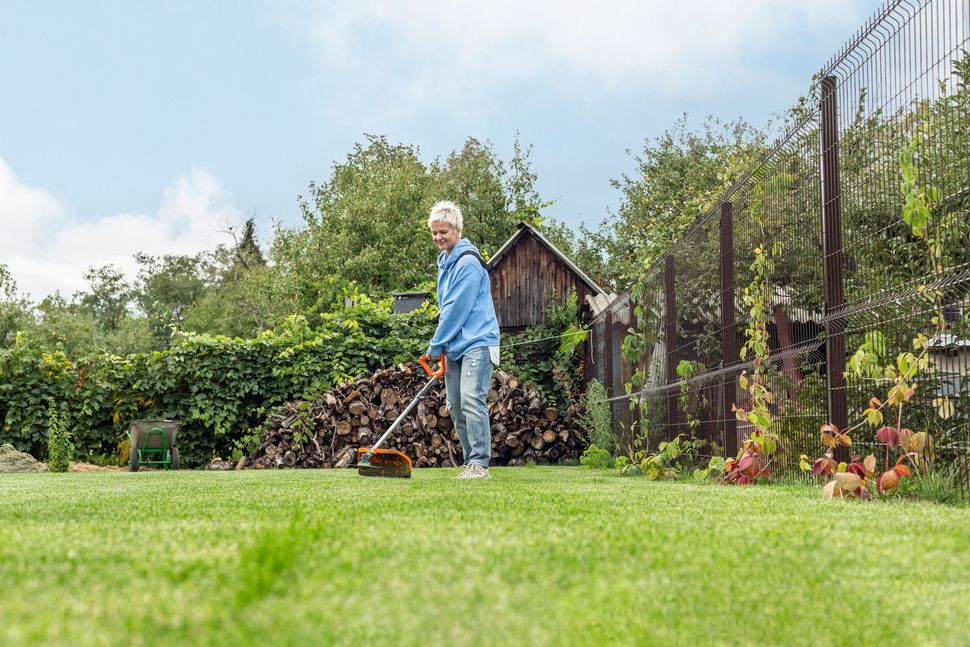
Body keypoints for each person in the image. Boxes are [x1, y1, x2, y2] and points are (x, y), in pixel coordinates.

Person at [426, 200, 501, 480]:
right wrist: (444, 342)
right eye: (434, 233)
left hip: (478, 342)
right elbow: (447, 305)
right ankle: (471, 462)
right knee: (456, 407)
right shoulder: (445, 262)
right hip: (455, 345)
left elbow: (457, 308)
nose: (438, 237)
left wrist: (435, 344)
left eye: (443, 232)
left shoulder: (468, 263)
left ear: (457, 230)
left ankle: (480, 464)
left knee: (471, 400)